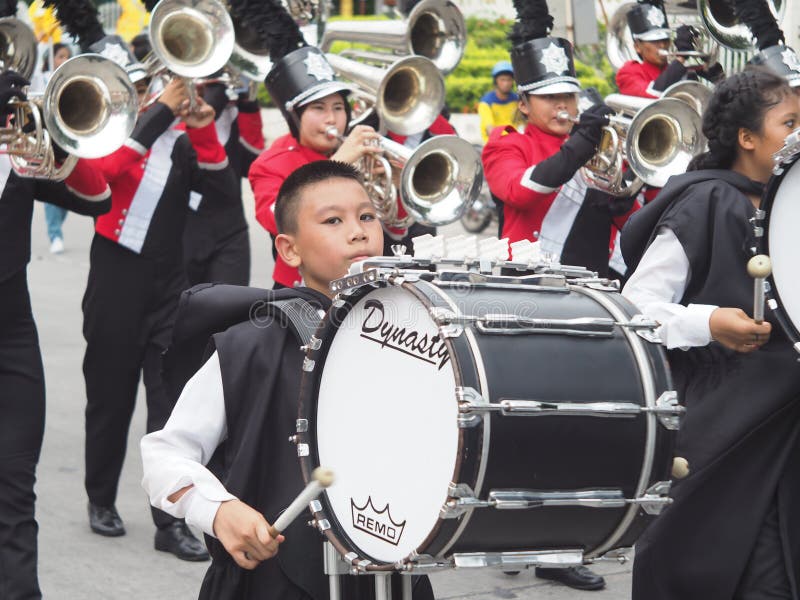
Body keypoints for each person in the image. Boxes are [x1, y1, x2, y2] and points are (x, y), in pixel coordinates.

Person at [141, 160, 435, 599]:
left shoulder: (420, 339)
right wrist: (220, 512)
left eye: (367, 216)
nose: (358, 231)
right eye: (333, 220)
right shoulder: (248, 346)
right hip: (274, 581)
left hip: (391, 577)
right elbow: (164, 457)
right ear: (289, 249)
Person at [621, 69, 800, 599]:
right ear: (747, 138)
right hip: (724, 429)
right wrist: (708, 323)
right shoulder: (705, 202)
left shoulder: (788, 205)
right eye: (790, 122)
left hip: (786, 430)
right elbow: (634, 308)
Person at [80, 75, 237, 562]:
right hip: (116, 278)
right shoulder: (124, 132)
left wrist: (204, 127)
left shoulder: (188, 144)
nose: (177, 94)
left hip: (171, 284)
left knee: (169, 403)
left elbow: (222, 194)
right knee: (109, 397)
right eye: (164, 88)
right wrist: (156, 117)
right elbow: (101, 176)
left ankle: (170, 522)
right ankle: (100, 497)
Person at [483, 0, 608, 590]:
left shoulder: (594, 141)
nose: (565, 107)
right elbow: (523, 192)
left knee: (581, 419)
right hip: (528, 292)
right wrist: (579, 148)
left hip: (591, 290)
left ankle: (564, 544)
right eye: (552, 98)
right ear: (525, 101)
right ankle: (509, 528)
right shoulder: (506, 143)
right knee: (523, 419)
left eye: (571, 96)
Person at [0, 68, 111, 600]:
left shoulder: (15, 148)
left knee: (16, 487)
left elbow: (98, 199)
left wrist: (49, 129)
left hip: (11, 333)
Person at [249, 46, 381, 289]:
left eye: (338, 108)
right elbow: (276, 219)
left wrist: (393, 184)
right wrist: (337, 164)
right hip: (302, 288)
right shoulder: (269, 164)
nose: (331, 119)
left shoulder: (358, 154)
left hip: (364, 280)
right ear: (295, 117)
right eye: (318, 108)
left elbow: (393, 227)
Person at [615, 1, 722, 99]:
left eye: (665, 39)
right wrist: (680, 58)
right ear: (637, 47)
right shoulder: (628, 72)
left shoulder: (683, 70)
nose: (662, 45)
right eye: (654, 41)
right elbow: (653, 94)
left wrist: (715, 73)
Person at [33, 42, 73, 254]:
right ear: (51, 58)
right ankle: (55, 234)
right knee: (51, 192)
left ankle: (57, 227)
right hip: (47, 142)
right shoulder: (42, 78)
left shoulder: (71, 79)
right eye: (60, 56)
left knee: (65, 195)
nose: (64, 60)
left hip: (66, 142)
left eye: (67, 56)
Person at [477, 60, 524, 143]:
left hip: (515, 143)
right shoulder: (485, 103)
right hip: (494, 145)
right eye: (502, 80)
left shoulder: (517, 100)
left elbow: (522, 124)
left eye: (509, 80)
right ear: (496, 81)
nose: (506, 83)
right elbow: (490, 130)